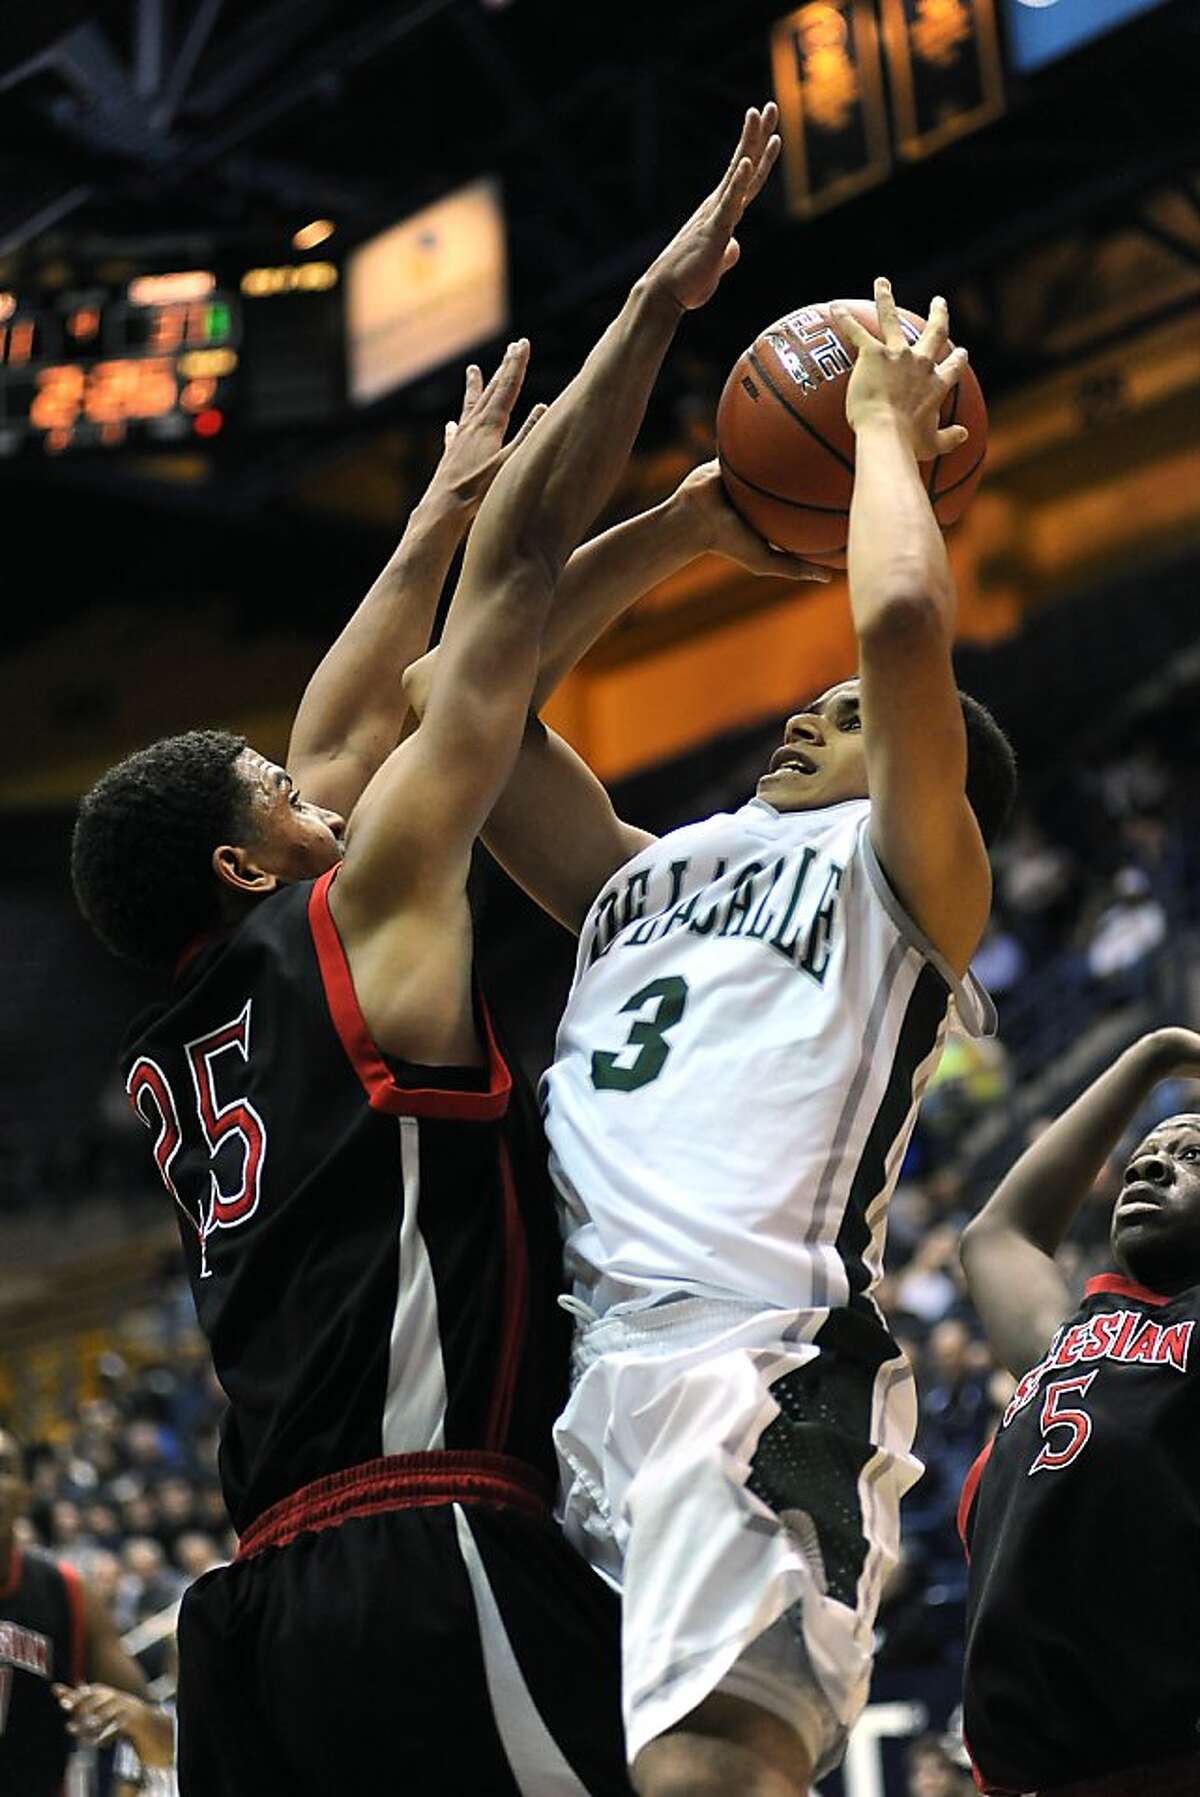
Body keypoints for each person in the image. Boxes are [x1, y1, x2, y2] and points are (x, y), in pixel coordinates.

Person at [70, 104, 785, 1795]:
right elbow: (495, 623)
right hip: (424, 1545)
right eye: (276, 788)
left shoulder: (211, 1010)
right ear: (248, 858)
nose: (313, 781)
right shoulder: (364, 901)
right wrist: (657, 316)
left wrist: (429, 515)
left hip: (262, 1603)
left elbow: (359, 713)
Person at [408, 280, 1017, 1795]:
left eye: (853, 717)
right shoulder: (641, 871)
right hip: (568, 1387)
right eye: (817, 705)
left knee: (712, 1779)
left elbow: (899, 619)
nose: (809, 718)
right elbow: (461, 701)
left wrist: (883, 436)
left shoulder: (903, 878)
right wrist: (680, 527)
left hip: (757, 1362)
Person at [959, 1027, 1200, 1794]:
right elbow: (998, 1235)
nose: (1152, 1163)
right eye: (1144, 1156)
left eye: (1194, 1155)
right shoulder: (1062, 1338)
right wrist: (1152, 1057)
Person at [0, 1426, 172, 1793]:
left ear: (26, 1494)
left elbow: (160, 1730)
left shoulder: (67, 1591)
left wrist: (127, 1715)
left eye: (3, 1468)